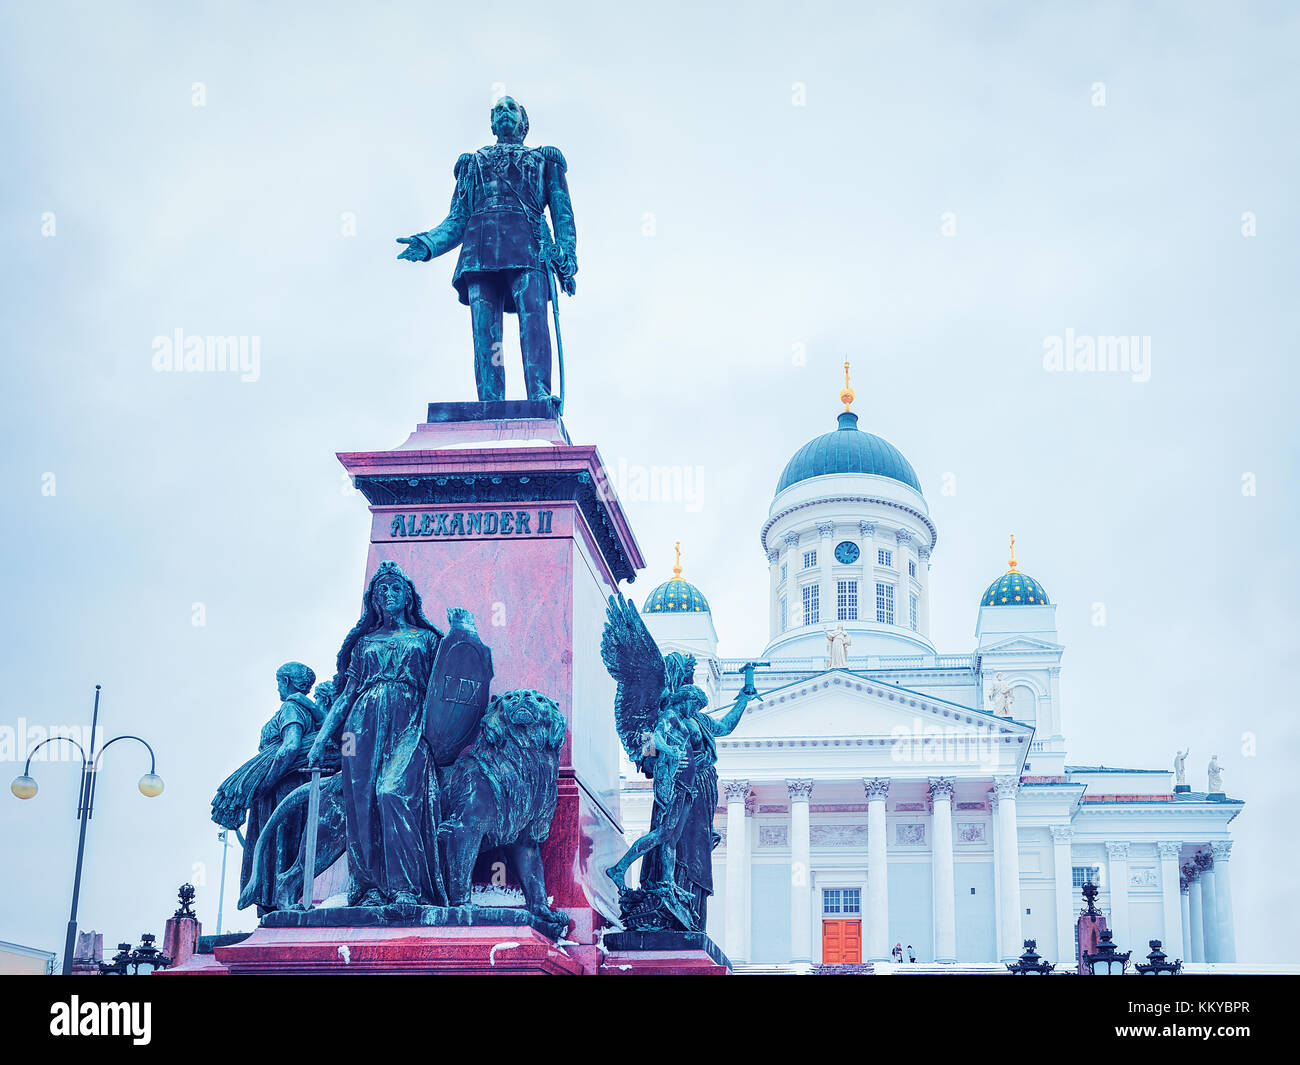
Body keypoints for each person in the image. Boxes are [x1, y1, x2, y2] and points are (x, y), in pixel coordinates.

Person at [397, 95, 577, 404]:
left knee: (533, 324)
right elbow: (457, 219)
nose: (504, 113)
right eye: (497, 110)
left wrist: (566, 255)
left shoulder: (545, 160)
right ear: (491, 123)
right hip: (479, 251)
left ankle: (539, 395)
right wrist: (427, 244)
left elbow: (562, 214)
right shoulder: (473, 162)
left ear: (524, 123)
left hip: (530, 248)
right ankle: (489, 402)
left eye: (511, 108)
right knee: (485, 335)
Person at [308, 561, 445, 906]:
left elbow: (446, 687)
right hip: (361, 725)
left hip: (410, 721)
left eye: (395, 587)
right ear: (373, 600)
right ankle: (368, 887)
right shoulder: (364, 643)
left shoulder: (426, 640)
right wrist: (324, 737)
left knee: (391, 793)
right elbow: (346, 695)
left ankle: (406, 887)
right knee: (361, 804)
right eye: (381, 589)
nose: (388, 593)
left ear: (409, 596)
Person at [210, 661, 321, 915]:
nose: (277, 687)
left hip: (280, 787)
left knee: (276, 841)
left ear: (288, 682)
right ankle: (275, 901)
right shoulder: (304, 710)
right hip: (288, 784)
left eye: (279, 681)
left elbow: (290, 747)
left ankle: (272, 902)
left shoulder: (291, 709)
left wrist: (267, 781)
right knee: (281, 842)